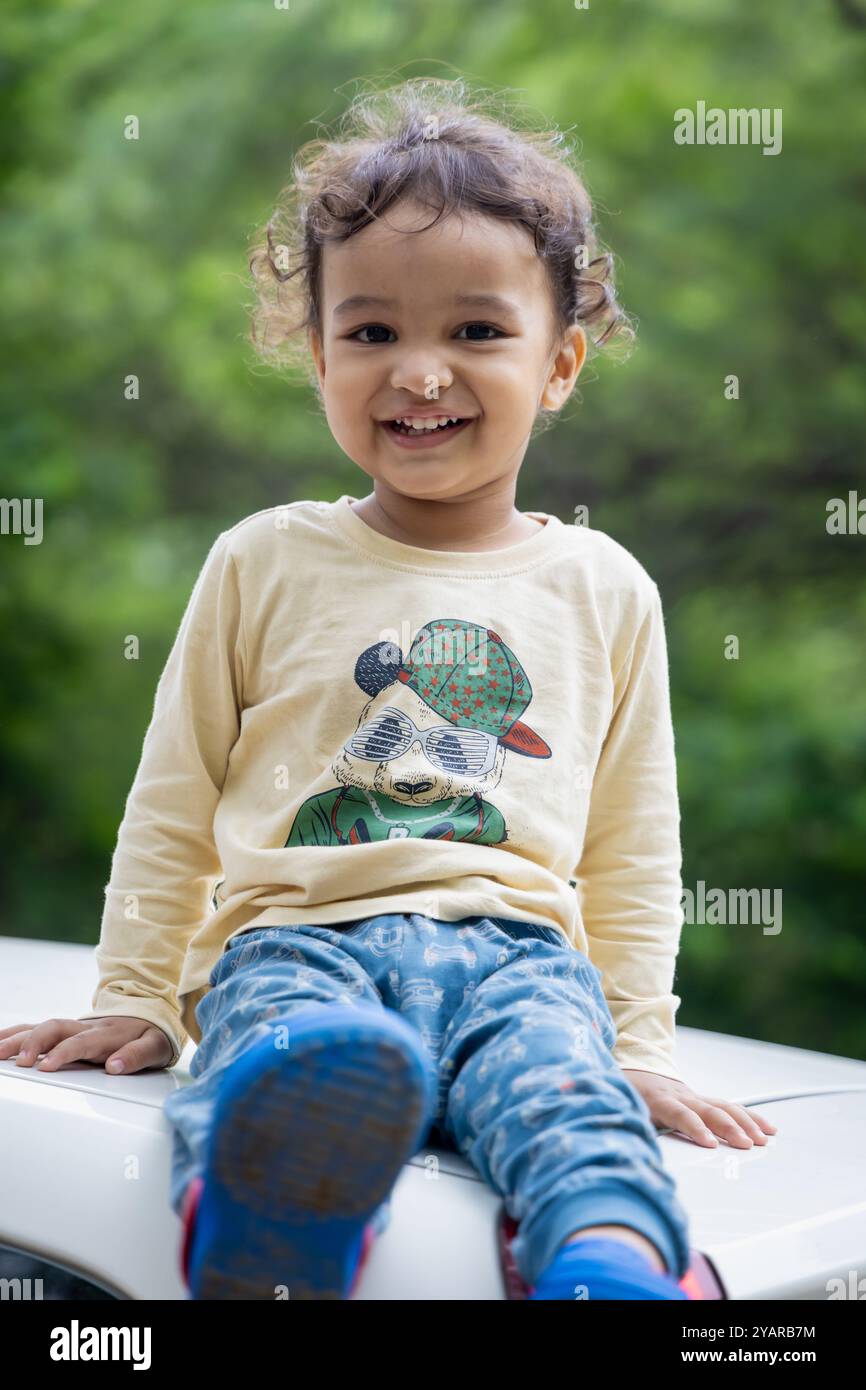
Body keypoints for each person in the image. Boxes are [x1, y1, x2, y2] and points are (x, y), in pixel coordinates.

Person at [0, 76, 775, 1301]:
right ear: (315, 355)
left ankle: (609, 1263)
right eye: (370, 334)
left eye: (474, 333)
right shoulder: (264, 556)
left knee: (572, 1112)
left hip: (522, 959)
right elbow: (174, 799)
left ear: (559, 362)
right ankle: (275, 1228)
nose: (419, 372)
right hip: (295, 944)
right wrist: (140, 995)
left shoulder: (602, 585)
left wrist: (635, 1048)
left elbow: (632, 846)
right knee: (280, 1060)